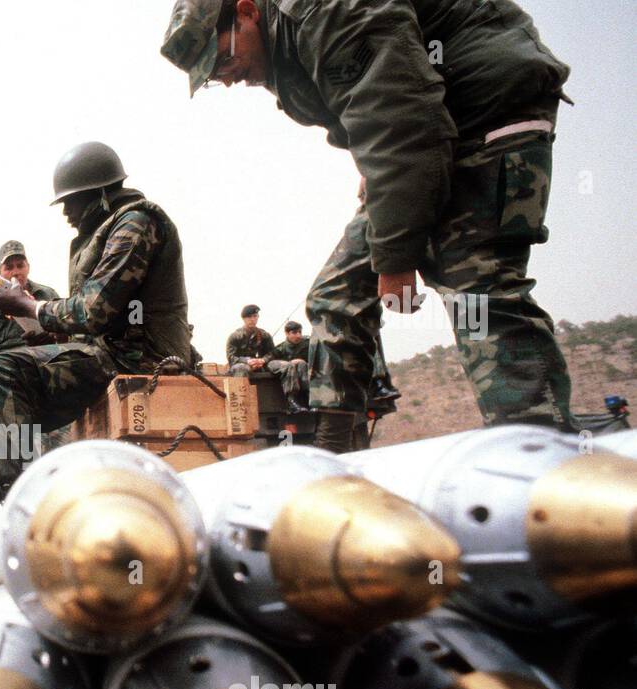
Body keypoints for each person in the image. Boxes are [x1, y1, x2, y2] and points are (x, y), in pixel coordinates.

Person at [161, 0, 576, 450]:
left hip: (484, 112)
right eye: (211, 78)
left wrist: (397, 259)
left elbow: (401, 120)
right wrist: (378, 180)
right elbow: (367, 117)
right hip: (420, 145)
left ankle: (547, 466)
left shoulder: (320, 9)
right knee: (335, 299)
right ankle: (336, 458)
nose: (226, 78)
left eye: (222, 59)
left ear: (247, 11)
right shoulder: (283, 46)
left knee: (475, 291)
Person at [0, 141, 194, 491]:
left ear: (100, 194)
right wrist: (51, 334)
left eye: (70, 201)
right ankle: (45, 487)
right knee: (16, 390)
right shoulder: (106, 231)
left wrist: (31, 307)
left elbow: (94, 310)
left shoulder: (136, 223)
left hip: (144, 359)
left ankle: (20, 496)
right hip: (112, 355)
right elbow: (98, 322)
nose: (65, 213)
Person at [0, 241, 71, 452]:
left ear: (27, 266)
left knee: (56, 447)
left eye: (19, 266)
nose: (15, 273)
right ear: (0, 271)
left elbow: (71, 339)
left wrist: (53, 338)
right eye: (8, 267)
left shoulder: (47, 296)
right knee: (13, 448)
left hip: (45, 378)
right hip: (7, 380)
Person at [267, 321, 310, 409]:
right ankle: (291, 401)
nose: (298, 335)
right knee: (290, 366)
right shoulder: (282, 348)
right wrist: (290, 363)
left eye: (300, 332)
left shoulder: (307, 344)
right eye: (294, 333)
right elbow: (270, 360)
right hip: (288, 374)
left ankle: (309, 399)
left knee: (302, 364)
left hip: (305, 373)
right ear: (287, 334)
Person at [225, 304, 275, 376]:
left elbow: (272, 353)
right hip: (240, 366)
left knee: (278, 365)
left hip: (260, 364)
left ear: (258, 317)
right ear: (243, 319)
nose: (252, 319)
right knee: (241, 368)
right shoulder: (235, 337)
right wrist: (247, 361)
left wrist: (263, 360)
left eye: (255, 316)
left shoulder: (264, 335)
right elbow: (231, 358)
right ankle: (241, 387)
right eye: (249, 317)